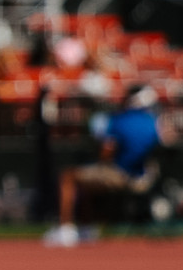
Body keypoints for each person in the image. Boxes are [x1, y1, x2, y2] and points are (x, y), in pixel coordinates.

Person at [45, 86, 165, 247]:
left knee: (68, 176)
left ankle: (66, 230)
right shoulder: (154, 123)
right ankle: (86, 228)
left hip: (120, 175)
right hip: (146, 178)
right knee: (87, 180)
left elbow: (106, 151)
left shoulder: (120, 120)